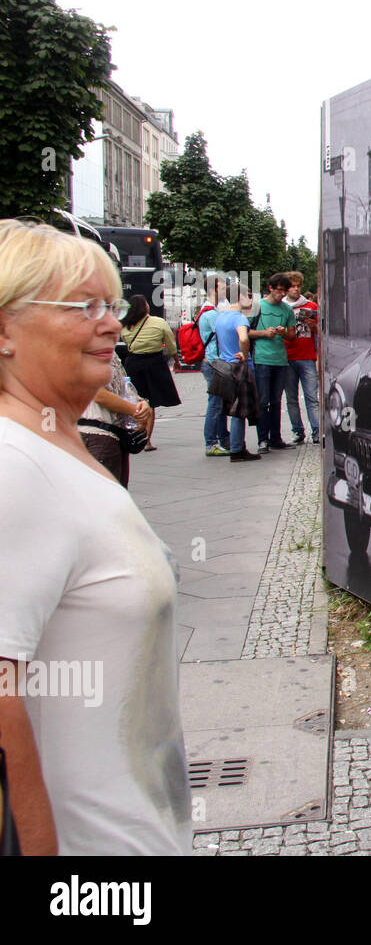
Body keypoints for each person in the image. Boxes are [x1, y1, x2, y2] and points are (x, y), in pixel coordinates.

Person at [0, 218, 191, 854]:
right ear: (4, 328)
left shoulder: (61, 444)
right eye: (83, 307)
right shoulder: (15, 466)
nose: (111, 323)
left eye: (110, 304)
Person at [78, 350, 151, 487]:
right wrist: (134, 410)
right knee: (103, 500)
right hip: (96, 434)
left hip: (114, 434)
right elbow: (98, 394)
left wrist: (140, 403)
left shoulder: (107, 350)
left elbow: (122, 387)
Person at [120, 293, 180, 450]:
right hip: (153, 363)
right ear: (145, 306)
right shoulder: (158, 322)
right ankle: (146, 440)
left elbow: (127, 343)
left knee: (135, 399)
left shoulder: (126, 326)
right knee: (150, 402)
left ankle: (134, 432)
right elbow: (171, 344)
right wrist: (177, 360)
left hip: (132, 363)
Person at [248, 272, 296, 454]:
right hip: (262, 359)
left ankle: (275, 438)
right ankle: (262, 440)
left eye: (284, 291)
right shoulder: (257, 306)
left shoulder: (287, 309)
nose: (282, 294)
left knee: (276, 401)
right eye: (279, 290)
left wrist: (284, 333)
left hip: (280, 360)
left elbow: (292, 335)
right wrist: (263, 333)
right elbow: (245, 331)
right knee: (263, 401)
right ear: (270, 288)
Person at [214, 283, 261, 462]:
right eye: (248, 294)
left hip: (224, 366)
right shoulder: (240, 319)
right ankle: (237, 449)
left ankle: (234, 446)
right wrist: (244, 352)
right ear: (240, 296)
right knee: (240, 410)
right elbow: (243, 337)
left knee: (229, 407)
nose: (250, 298)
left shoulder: (221, 317)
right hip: (239, 367)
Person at [281, 274, 320, 444]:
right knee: (291, 398)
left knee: (312, 396)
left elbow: (321, 331)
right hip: (287, 356)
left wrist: (315, 327)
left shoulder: (311, 306)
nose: (296, 289)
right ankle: (297, 431)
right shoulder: (280, 307)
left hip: (306, 356)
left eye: (298, 286)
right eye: (292, 286)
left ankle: (317, 430)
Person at [197, 275, 230, 455]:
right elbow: (215, 342)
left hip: (213, 362)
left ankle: (223, 438)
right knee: (215, 404)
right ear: (212, 290)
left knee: (219, 403)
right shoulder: (210, 313)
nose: (225, 291)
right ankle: (211, 443)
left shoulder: (211, 310)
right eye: (223, 288)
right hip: (214, 363)